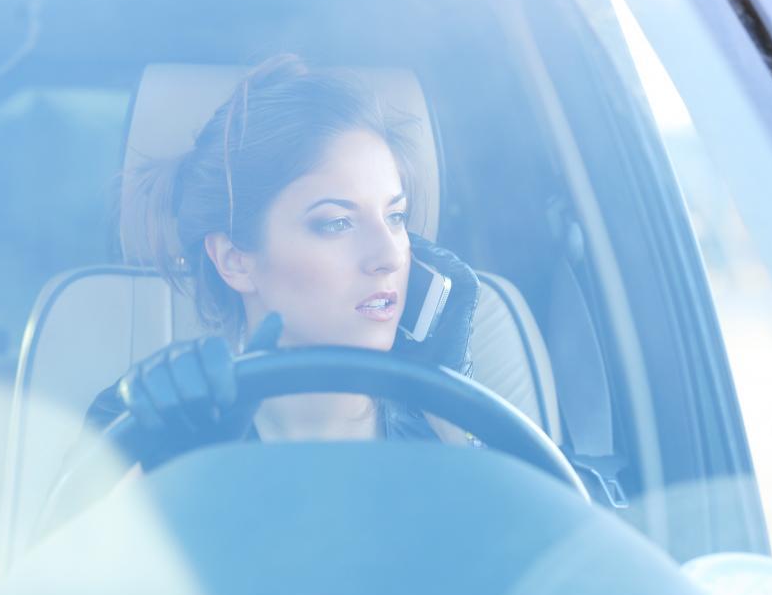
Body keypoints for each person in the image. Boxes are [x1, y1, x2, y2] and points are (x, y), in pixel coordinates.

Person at [77, 54, 481, 472]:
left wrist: (450, 407)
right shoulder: (148, 423)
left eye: (395, 217)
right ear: (235, 261)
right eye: (337, 223)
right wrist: (178, 478)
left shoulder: (441, 422)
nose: (390, 256)